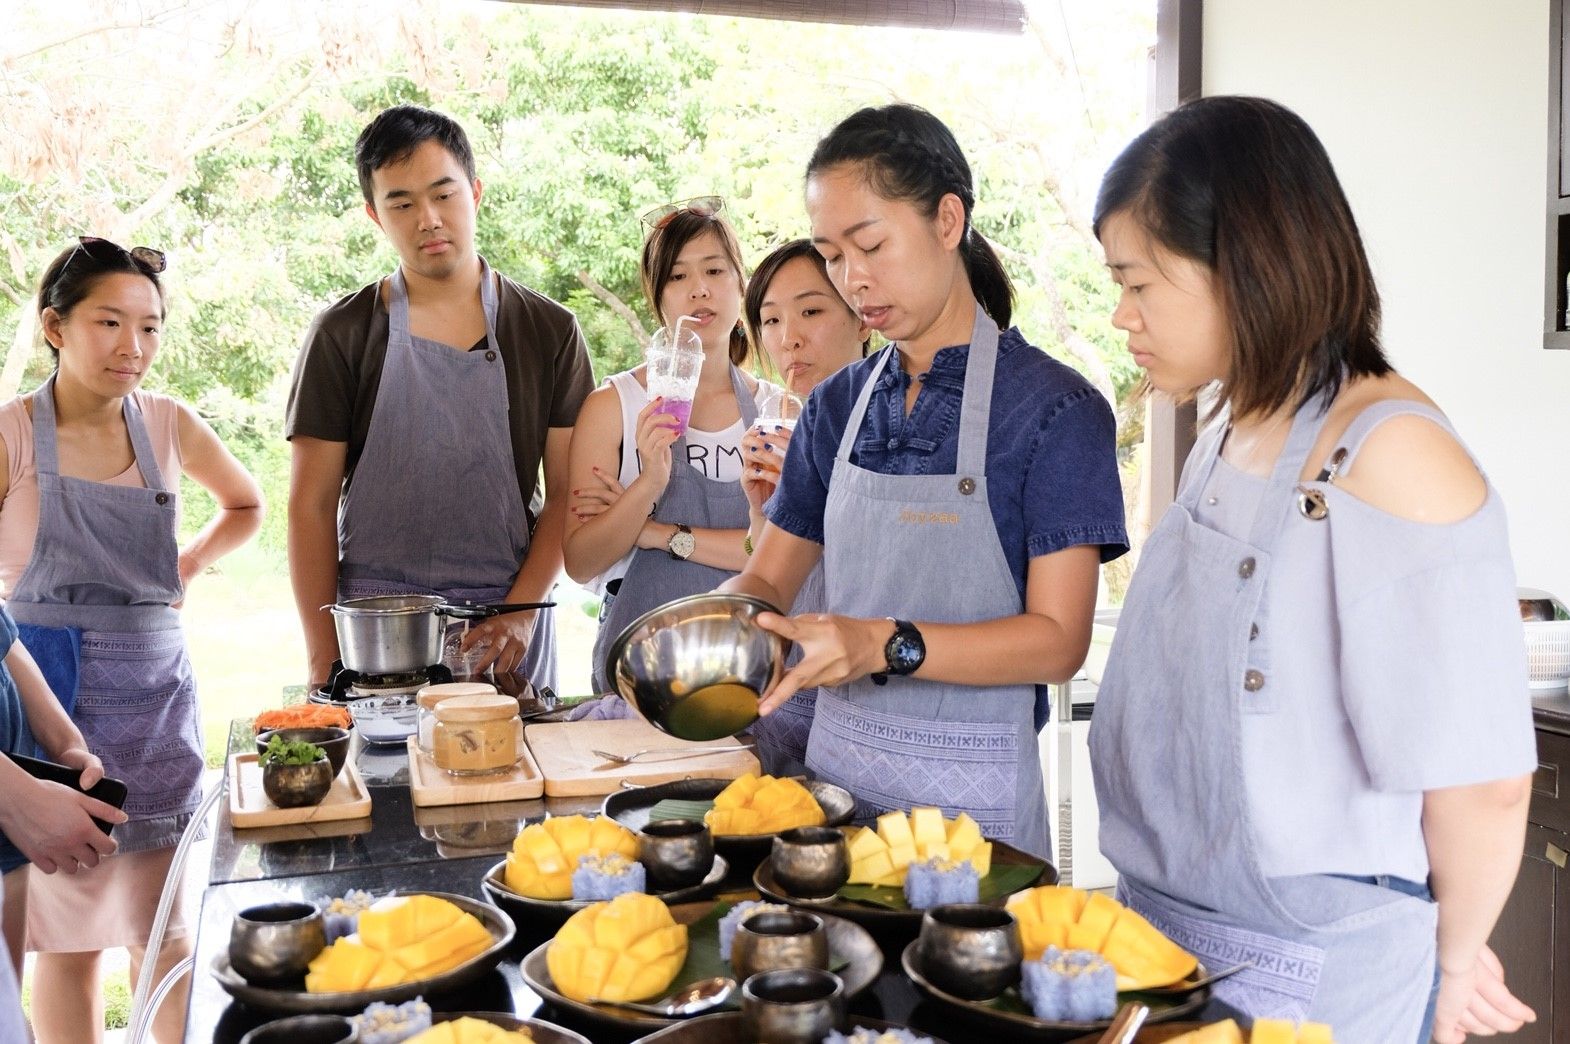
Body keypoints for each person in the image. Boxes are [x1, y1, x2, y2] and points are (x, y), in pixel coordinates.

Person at [1088, 96, 1536, 1043]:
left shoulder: (1393, 455)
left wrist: (1452, 960)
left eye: (1139, 282)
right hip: (1174, 934)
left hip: (1316, 967)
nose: (1122, 314)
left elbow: (1483, 779)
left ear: (1244, 267)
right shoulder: (1233, 428)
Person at [720, 104, 1128, 858]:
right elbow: (768, 579)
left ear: (947, 220)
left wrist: (883, 643)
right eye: (832, 255)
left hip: (977, 832)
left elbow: (1057, 642)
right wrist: (705, 627)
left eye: (871, 244)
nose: (854, 278)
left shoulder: (1056, 411)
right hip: (832, 810)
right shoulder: (835, 407)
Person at [5, 236, 262, 1042]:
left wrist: (189, 564)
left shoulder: (168, 423)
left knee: (167, 935)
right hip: (50, 706)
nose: (134, 346)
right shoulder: (12, 434)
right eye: (110, 322)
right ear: (55, 326)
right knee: (69, 945)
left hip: (155, 702)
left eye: (150, 327)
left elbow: (246, 504)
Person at [287, 105, 594, 694]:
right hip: (376, 625)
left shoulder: (548, 330)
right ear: (375, 215)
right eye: (401, 204)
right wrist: (324, 657)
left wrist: (522, 611)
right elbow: (311, 504)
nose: (428, 219)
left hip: (505, 625)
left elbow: (568, 494)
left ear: (475, 192)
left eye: (443, 194)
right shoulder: (342, 333)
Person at [564, 199, 771, 693]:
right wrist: (651, 481)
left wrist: (651, 531)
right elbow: (581, 561)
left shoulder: (777, 411)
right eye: (677, 276)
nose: (699, 288)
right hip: (641, 677)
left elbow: (772, 553)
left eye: (715, 270)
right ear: (657, 299)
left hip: (753, 671)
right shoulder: (613, 406)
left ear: (741, 284)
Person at [736, 238, 867, 776]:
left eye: (811, 311)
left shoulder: (889, 427)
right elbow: (767, 575)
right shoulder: (786, 428)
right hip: (781, 714)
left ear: (863, 315)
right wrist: (762, 512)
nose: (789, 338)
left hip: (862, 716)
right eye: (770, 321)